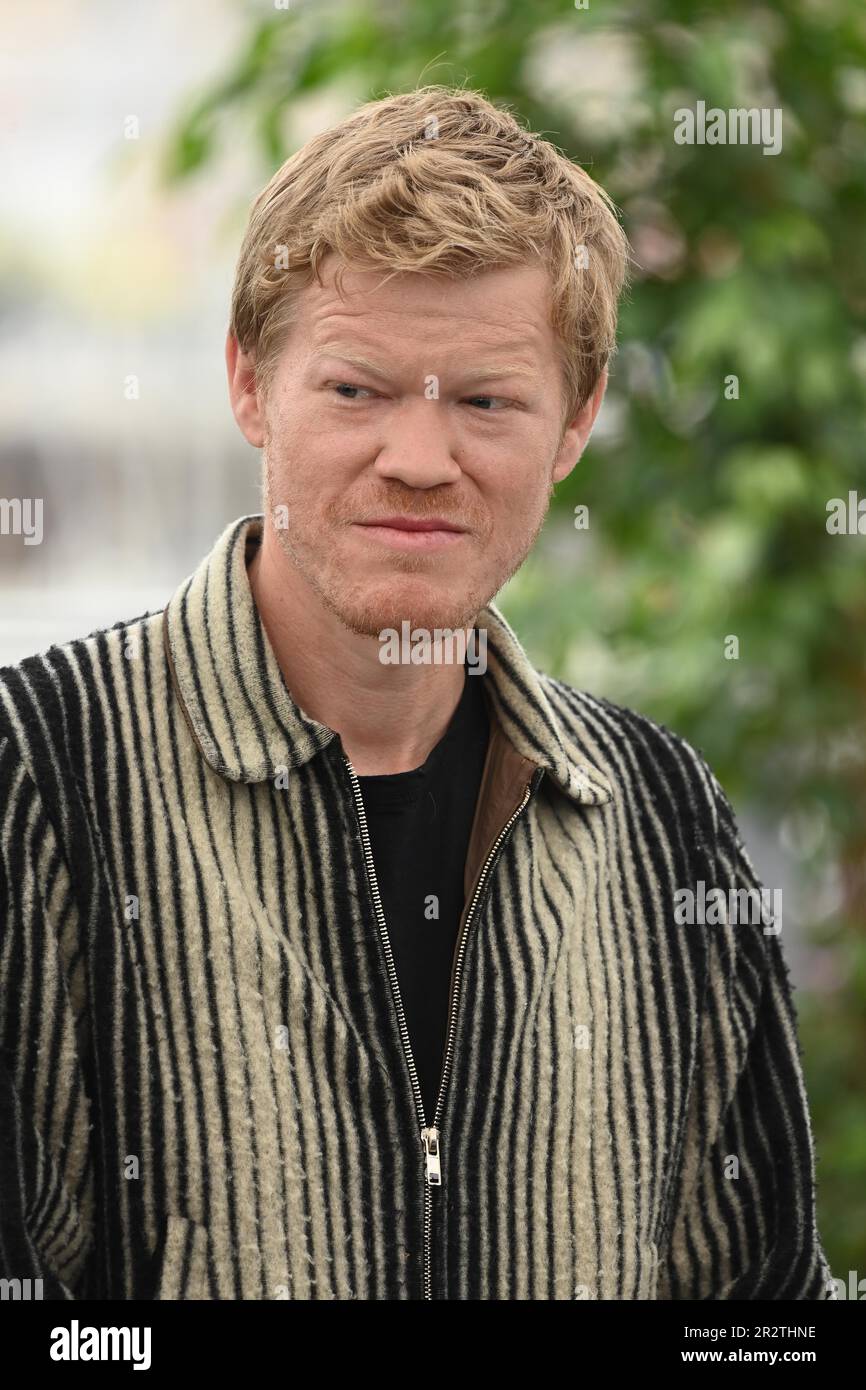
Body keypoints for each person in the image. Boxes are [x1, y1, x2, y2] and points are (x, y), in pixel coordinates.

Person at [0, 85, 834, 1300]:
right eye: (356, 390)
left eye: (486, 400)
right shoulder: (38, 780)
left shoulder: (663, 817)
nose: (418, 459)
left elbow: (760, 1313)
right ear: (249, 385)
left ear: (574, 423)